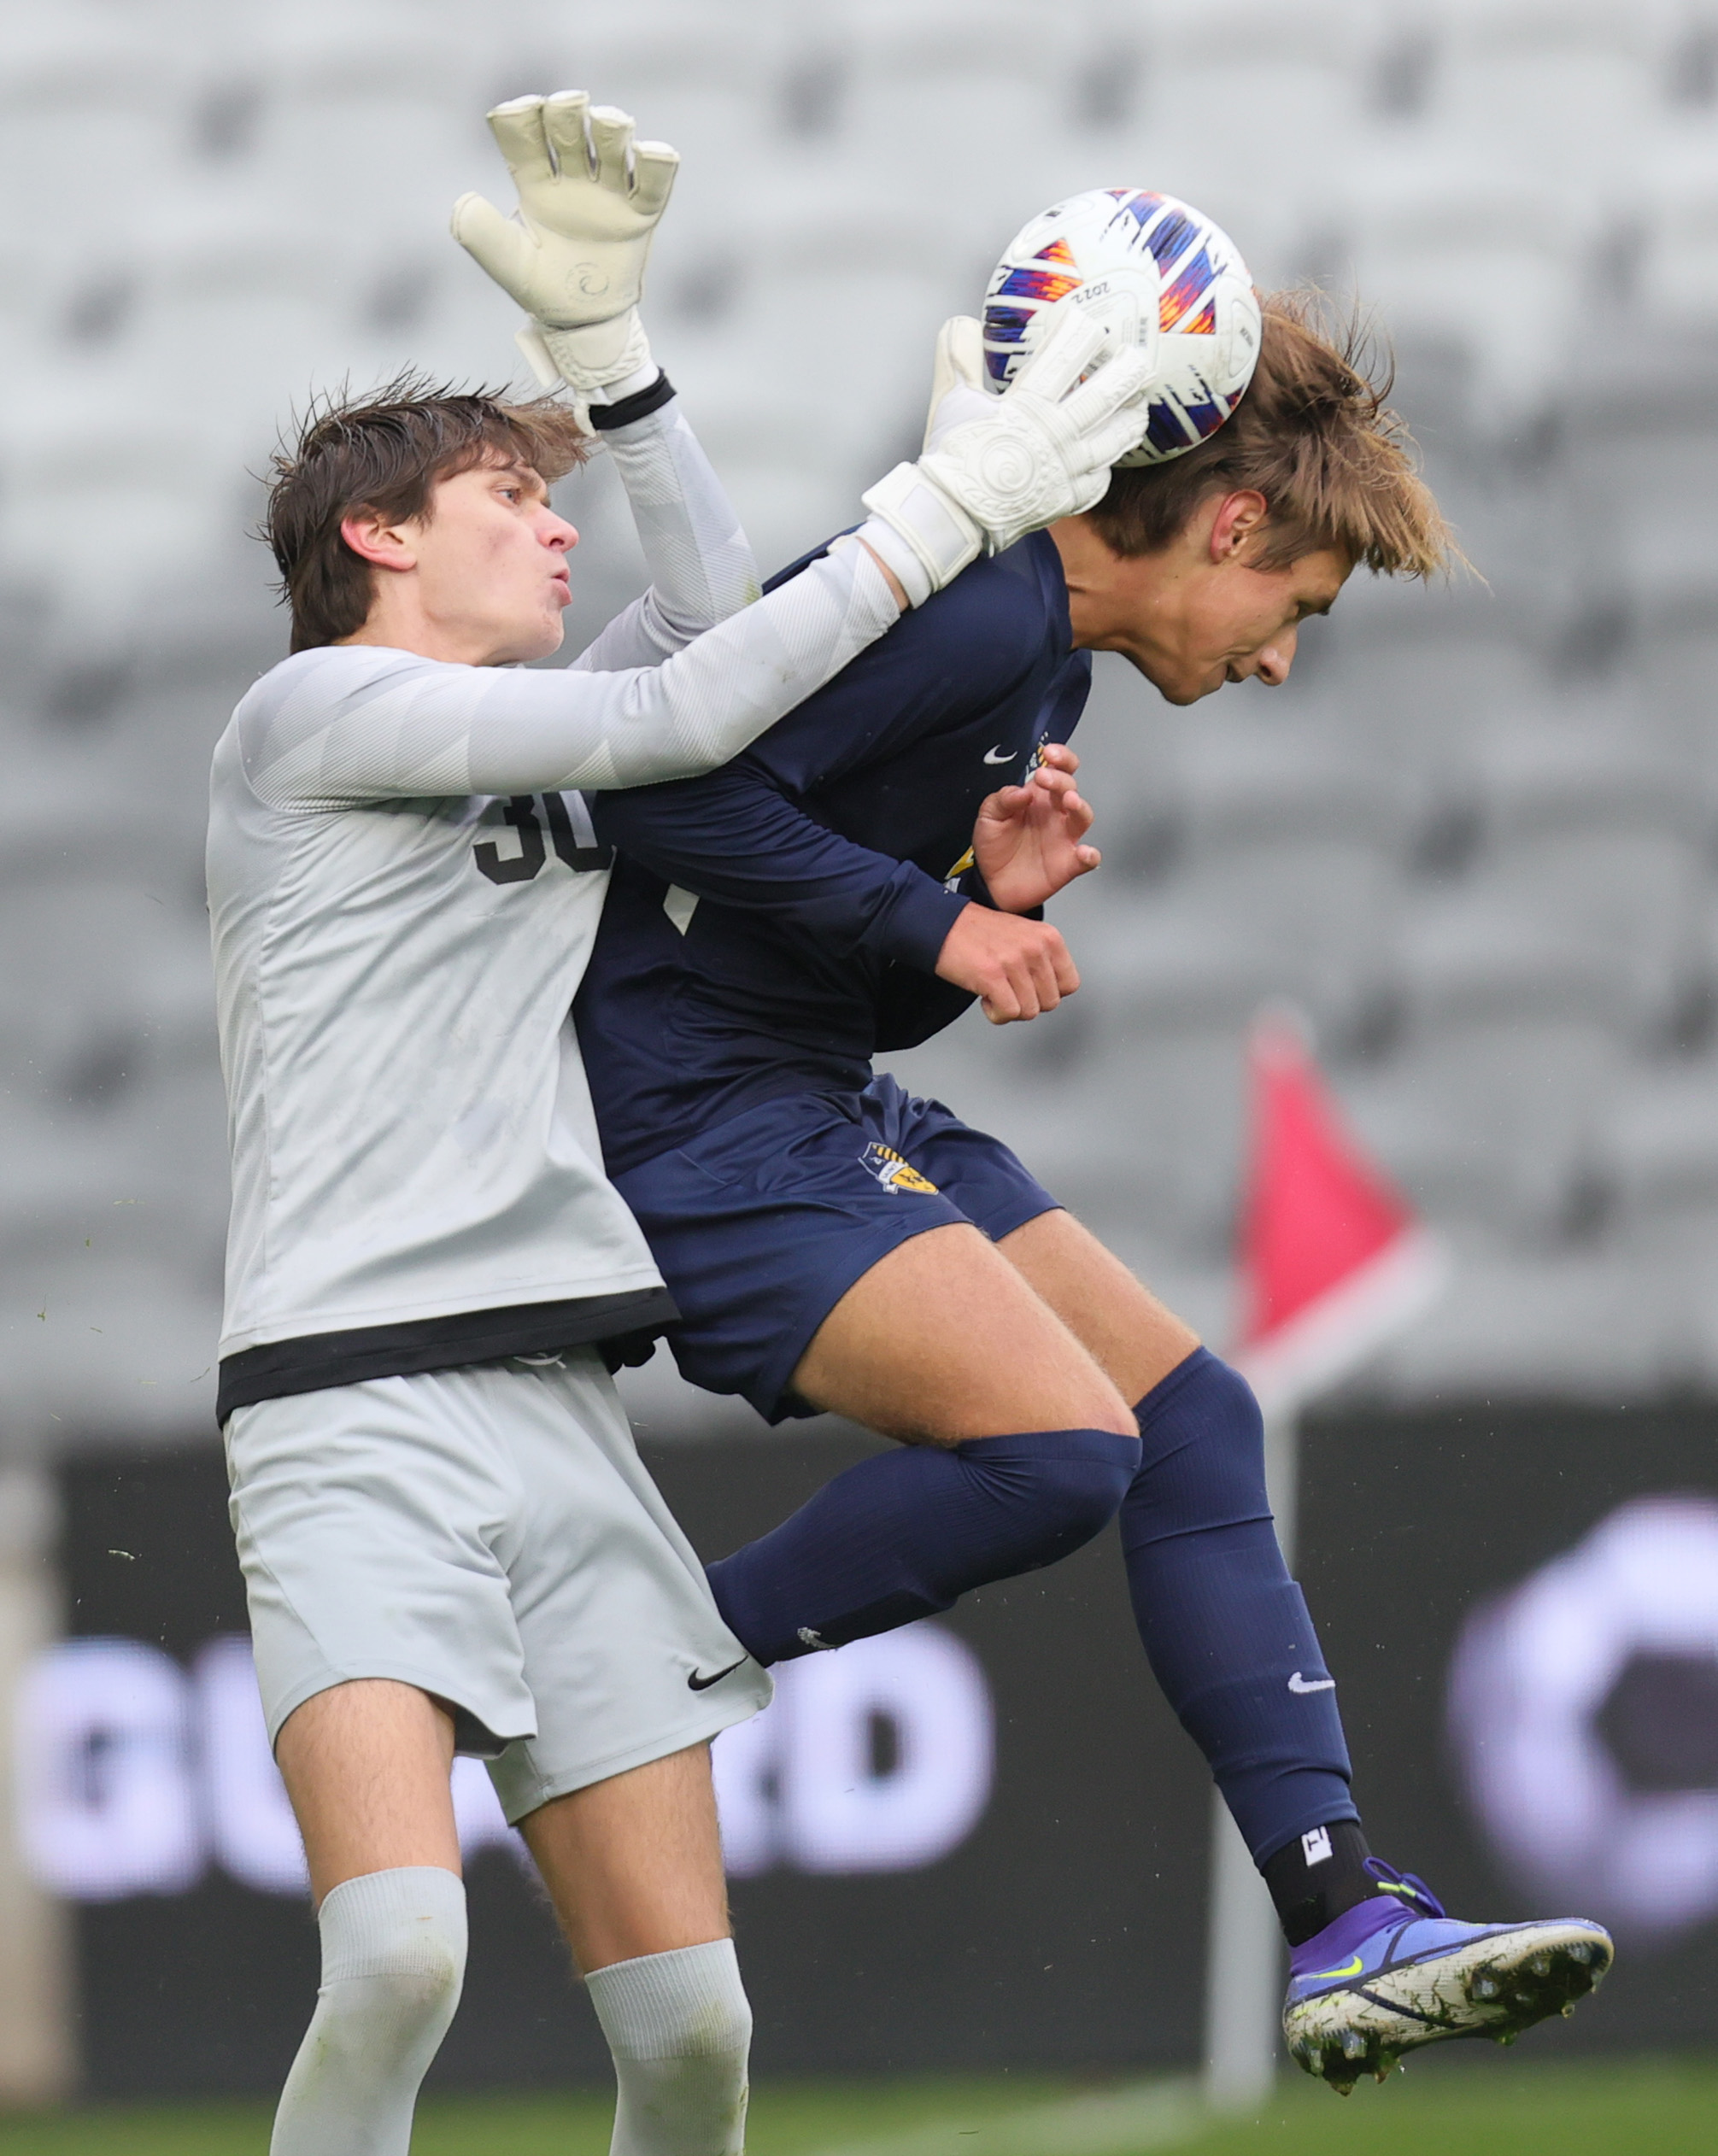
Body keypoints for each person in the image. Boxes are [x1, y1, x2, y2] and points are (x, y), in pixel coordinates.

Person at [212, 92, 1155, 2156]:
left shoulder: (516, 724)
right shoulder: (312, 721)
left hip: (557, 1402)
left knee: (700, 2039)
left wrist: (619, 391)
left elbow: (705, 623)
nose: (552, 527)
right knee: (395, 1965)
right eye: (500, 492)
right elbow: (684, 717)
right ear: (379, 537)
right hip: (346, 1405)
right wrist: (948, 497)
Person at [560, 297, 1616, 2094]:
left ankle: (1345, 1914)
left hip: (805, 1078)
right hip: (684, 1115)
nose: (1281, 656)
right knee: (1063, 1445)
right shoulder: (975, 609)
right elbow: (653, 786)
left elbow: (830, 944)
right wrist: (938, 916)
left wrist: (986, 911)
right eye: (1298, 606)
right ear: (1226, 526)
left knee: (1186, 1410)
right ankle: (635, 1667)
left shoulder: (1037, 653)